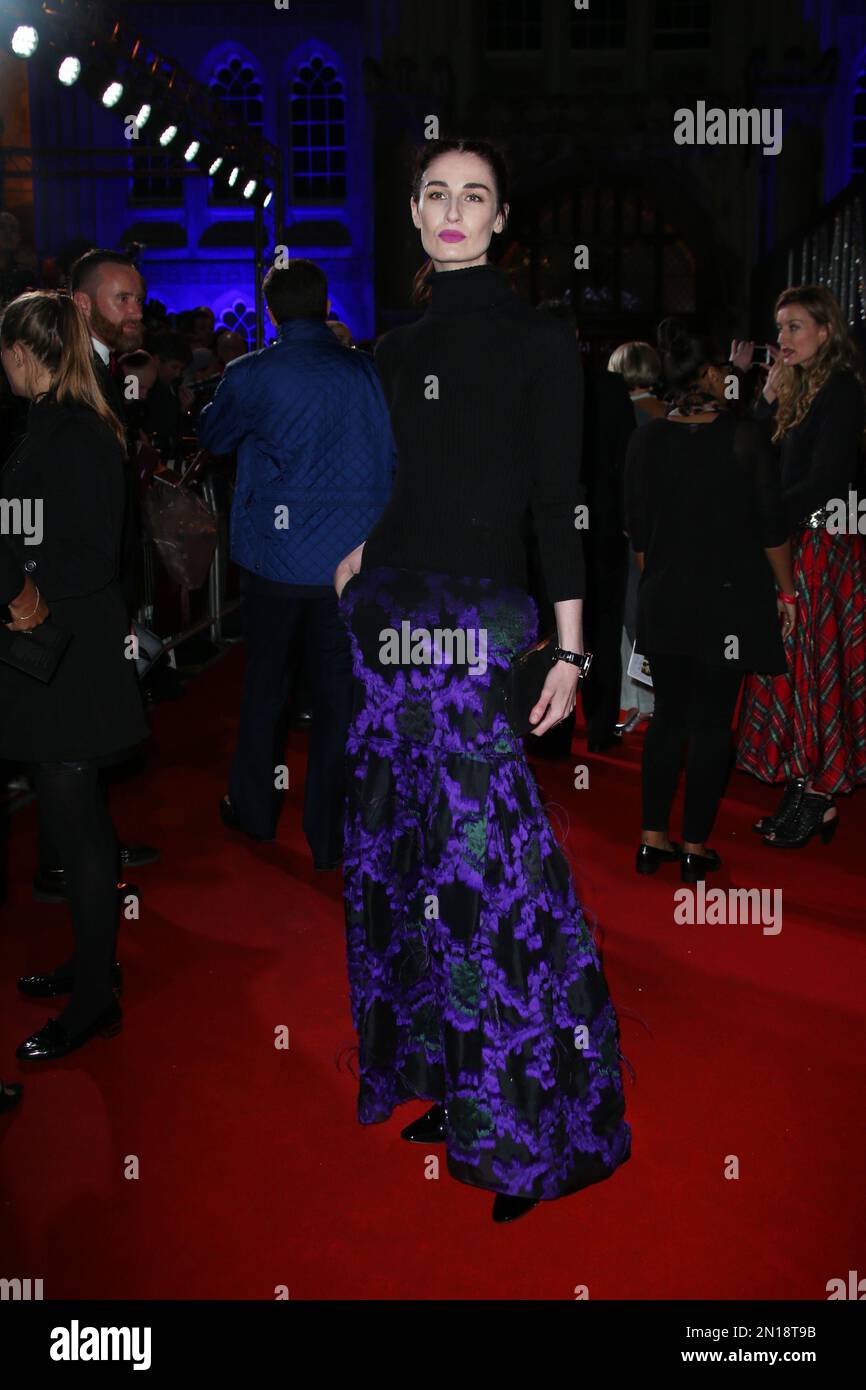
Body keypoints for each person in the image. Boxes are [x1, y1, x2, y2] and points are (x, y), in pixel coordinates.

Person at [334, 137, 631, 1224]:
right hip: (388, 622)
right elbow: (408, 473)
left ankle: (527, 1122)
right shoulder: (390, 343)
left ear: (500, 219)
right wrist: (367, 545)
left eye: (475, 197)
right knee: (396, 862)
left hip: (475, 640)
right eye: (434, 195)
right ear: (412, 215)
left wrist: (568, 648)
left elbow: (558, 502)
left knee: (483, 877)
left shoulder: (542, 343)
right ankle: (447, 1079)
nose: (453, 211)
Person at [199, 260, 395, 865]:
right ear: (324, 303)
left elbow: (213, 440)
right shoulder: (369, 372)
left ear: (272, 311)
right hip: (348, 566)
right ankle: (329, 838)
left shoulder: (250, 373)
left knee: (265, 688)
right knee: (340, 699)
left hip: (274, 564)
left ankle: (256, 813)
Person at [0, 290, 150, 1060]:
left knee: (80, 834)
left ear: (26, 352)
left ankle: (96, 996)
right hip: (57, 654)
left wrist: (21, 582)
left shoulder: (77, 435)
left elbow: (91, 554)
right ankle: (89, 967)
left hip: (70, 658)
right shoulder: (54, 427)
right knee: (70, 829)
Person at [624, 318, 795, 884]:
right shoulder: (743, 437)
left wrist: (660, 585)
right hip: (728, 600)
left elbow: (639, 534)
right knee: (712, 724)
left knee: (668, 718)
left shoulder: (648, 437)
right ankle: (695, 846)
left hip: (668, 597)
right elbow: (773, 528)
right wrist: (788, 591)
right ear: (710, 372)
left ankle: (652, 840)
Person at [735, 286, 866, 846]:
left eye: (794, 327)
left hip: (823, 545)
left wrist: (769, 518)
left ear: (825, 331)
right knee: (792, 666)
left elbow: (825, 481)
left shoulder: (841, 391)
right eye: (780, 327)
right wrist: (764, 398)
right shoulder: (797, 387)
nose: (782, 338)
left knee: (815, 666)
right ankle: (803, 778)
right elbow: (751, 451)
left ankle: (819, 789)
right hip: (791, 541)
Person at [607, 341, 665, 734]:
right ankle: (651, 700)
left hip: (636, 533)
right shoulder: (672, 413)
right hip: (672, 532)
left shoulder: (626, 416)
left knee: (631, 617)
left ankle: (641, 701)